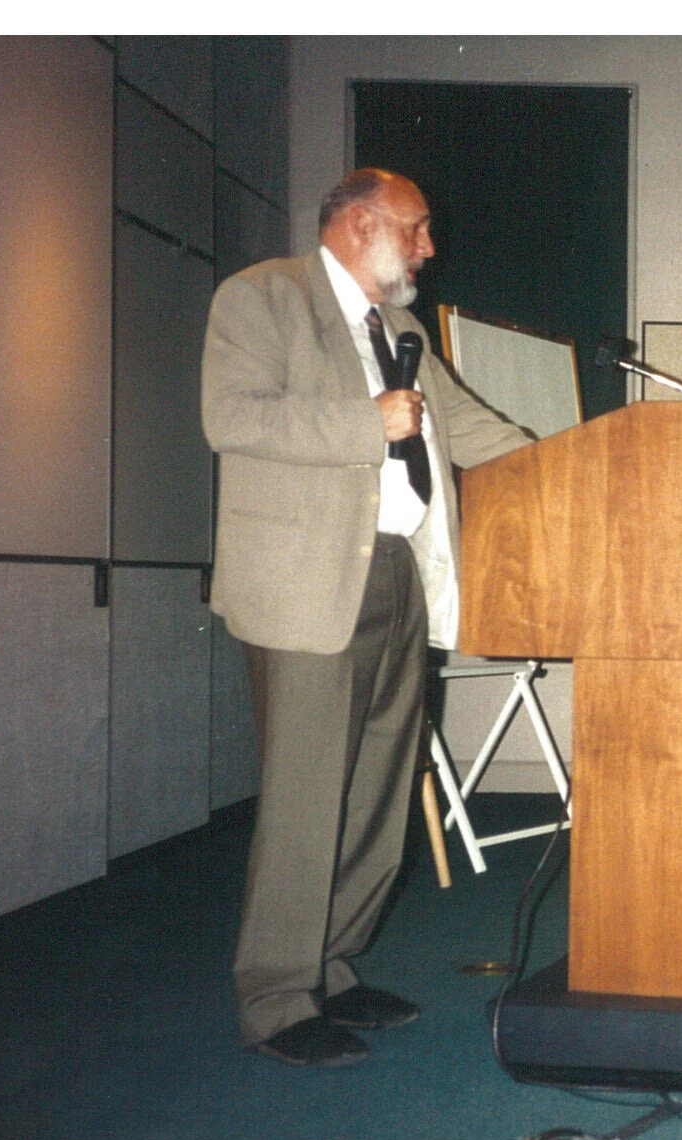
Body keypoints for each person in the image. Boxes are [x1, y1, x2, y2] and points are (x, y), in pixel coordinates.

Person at [202, 168, 534, 1067]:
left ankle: (332, 966)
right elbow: (228, 418)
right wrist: (367, 421)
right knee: (310, 794)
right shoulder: (261, 297)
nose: (431, 247)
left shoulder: (405, 328)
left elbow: (469, 431)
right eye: (418, 229)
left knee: (380, 792)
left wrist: (579, 463)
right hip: (307, 581)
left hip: (398, 574)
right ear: (360, 222)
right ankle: (276, 996)